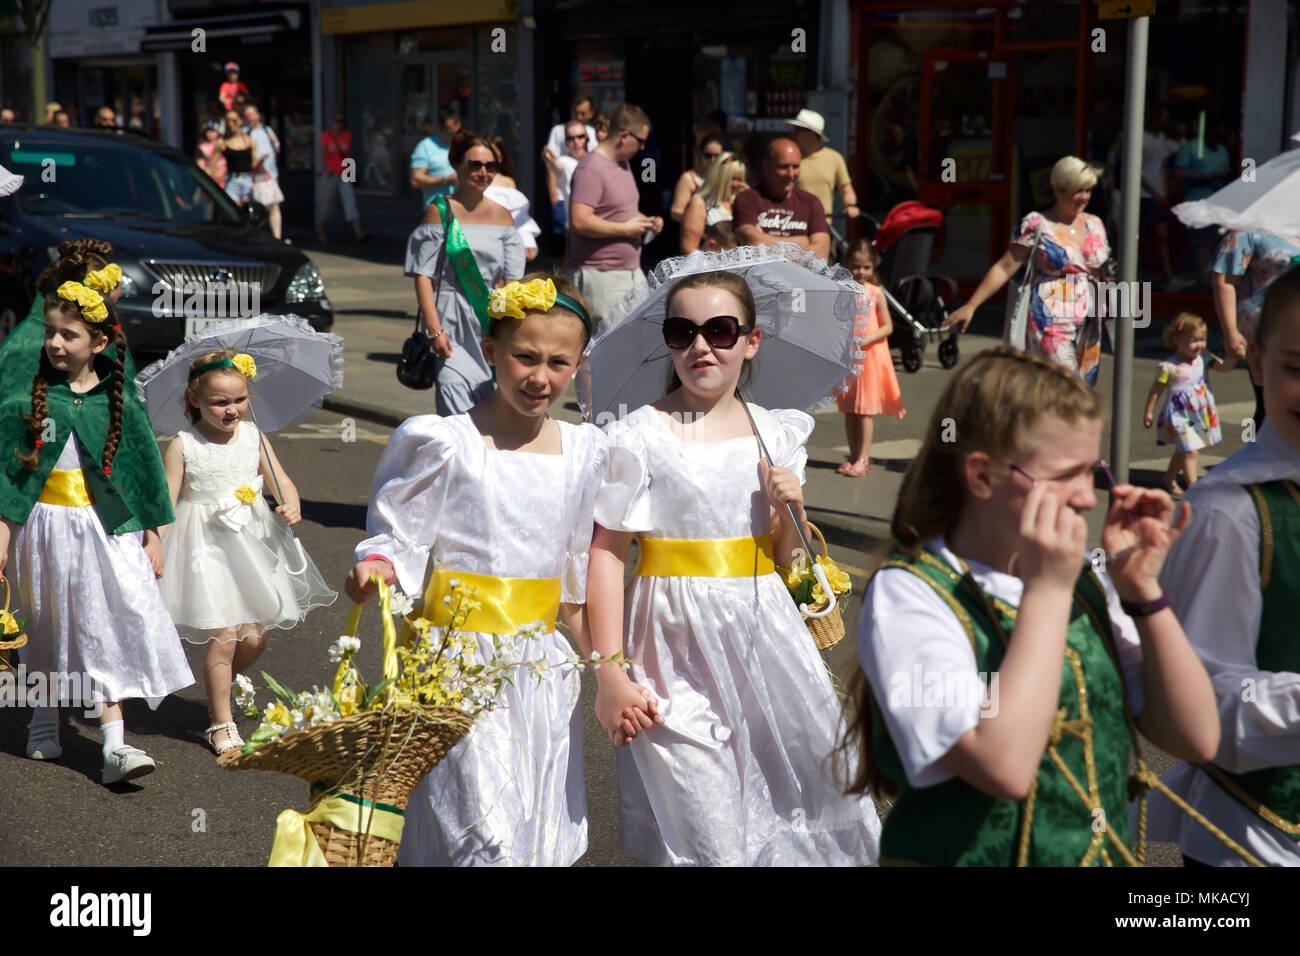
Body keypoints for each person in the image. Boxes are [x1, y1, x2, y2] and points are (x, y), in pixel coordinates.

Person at [843, 347, 1220, 866]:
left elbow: (1197, 736)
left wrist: (1142, 594)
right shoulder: (911, 593)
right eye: (1066, 474)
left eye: (1093, 472)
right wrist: (1047, 592)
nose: (1088, 499)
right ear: (983, 476)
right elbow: (1003, 766)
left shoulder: (1082, 583)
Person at [585, 269, 881, 866]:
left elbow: (791, 562)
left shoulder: (774, 434)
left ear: (751, 340)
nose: (701, 346)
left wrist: (790, 511)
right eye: (682, 331)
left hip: (761, 638)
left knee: (795, 797)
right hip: (669, 648)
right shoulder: (637, 436)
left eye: (720, 331)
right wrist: (610, 672)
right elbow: (606, 553)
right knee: (703, 820)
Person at [345, 275, 624, 866]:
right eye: (524, 357)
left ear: (578, 366)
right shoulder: (447, 443)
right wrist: (379, 565)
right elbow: (402, 536)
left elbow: (574, 576)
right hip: (456, 665)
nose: (539, 377)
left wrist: (608, 671)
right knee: (479, 831)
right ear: (492, 351)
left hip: (542, 670)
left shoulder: (585, 453)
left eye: (558, 362)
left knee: (534, 825)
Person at [0, 280, 194, 785]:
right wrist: (2, 536)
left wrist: (154, 534)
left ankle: (113, 744)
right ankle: (44, 718)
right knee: (43, 623)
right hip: (43, 529)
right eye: (51, 333)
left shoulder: (118, 401)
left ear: (100, 343)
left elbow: (143, 471)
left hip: (106, 532)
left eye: (70, 335)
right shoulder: (34, 400)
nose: (56, 343)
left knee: (107, 625)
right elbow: (12, 476)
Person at [1150, 265, 1300, 866]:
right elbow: (1197, 707)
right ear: (1258, 365)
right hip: (1255, 843)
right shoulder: (1228, 512)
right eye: (1297, 368)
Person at [157, 350, 336, 756]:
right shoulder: (184, 445)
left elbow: (281, 480)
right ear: (194, 399)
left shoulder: (254, 436)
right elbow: (167, 502)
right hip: (205, 546)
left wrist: (291, 504)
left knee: (254, 638)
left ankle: (221, 681)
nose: (231, 409)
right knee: (223, 635)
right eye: (220, 402)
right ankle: (221, 723)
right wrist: (156, 546)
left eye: (239, 399)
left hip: (253, 542)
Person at [945, 156, 1111, 386]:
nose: (1084, 197)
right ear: (1057, 190)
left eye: (1088, 190)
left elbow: (1103, 272)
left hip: (1090, 319)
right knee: (1060, 385)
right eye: (1077, 191)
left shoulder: (1095, 223)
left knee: (1081, 393)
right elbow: (1005, 266)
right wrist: (971, 305)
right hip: (1051, 317)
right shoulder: (1036, 223)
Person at [408, 132, 524, 417]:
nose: (483, 172)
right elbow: (423, 276)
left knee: (489, 406)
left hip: (489, 324)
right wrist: (434, 330)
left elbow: (513, 282)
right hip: (449, 323)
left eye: (491, 166)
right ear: (457, 165)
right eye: (474, 164)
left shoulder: (504, 216)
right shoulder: (439, 212)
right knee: (453, 394)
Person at [564, 103, 663, 323]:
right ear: (624, 135)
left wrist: (645, 221)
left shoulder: (623, 164)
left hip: (628, 272)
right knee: (603, 351)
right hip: (600, 276)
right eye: (640, 141)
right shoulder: (591, 168)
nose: (642, 148)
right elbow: (580, 221)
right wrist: (626, 229)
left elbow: (619, 210)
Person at [1211, 227, 1300, 427]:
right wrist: (1231, 331)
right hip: (1265, 328)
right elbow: (1224, 279)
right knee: (1269, 406)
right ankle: (1253, 454)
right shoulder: (1248, 232)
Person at [836, 240, 903, 477]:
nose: (861, 272)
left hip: (869, 358)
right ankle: (854, 456)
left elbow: (888, 327)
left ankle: (863, 459)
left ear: (873, 267)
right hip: (848, 358)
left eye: (866, 267)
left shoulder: (876, 293)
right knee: (850, 410)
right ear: (846, 265)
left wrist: (867, 339)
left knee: (864, 411)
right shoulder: (842, 291)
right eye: (855, 267)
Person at [1143, 312, 1223, 495]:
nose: (1200, 345)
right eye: (1194, 340)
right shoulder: (1168, 367)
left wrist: (1233, 356)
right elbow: (1157, 389)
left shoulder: (1204, 358)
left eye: (1202, 339)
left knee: (1183, 450)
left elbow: (1223, 366)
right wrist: (1148, 411)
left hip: (1198, 412)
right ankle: (1195, 490)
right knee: (1191, 451)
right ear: (1177, 340)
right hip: (1179, 415)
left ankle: (1167, 479)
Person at [732, 138, 830, 259]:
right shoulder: (747, 199)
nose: (790, 174)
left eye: (796, 166)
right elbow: (752, 243)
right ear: (766, 165)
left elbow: (821, 253)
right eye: (783, 167)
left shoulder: (811, 202)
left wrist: (766, 242)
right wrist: (803, 242)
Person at [789, 108, 859, 227]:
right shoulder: (790, 158)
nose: (793, 134)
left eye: (797, 130)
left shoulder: (834, 158)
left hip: (823, 227)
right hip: (793, 227)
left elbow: (845, 188)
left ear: (811, 133)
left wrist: (850, 206)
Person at [1141, 105, 1186, 291]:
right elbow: (1137, 171)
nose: (1166, 123)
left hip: (1159, 196)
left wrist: (1165, 191)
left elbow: (1164, 167)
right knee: (1137, 236)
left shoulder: (1162, 140)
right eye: (1163, 118)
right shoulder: (1140, 138)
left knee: (1162, 236)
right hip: (1143, 196)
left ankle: (1168, 276)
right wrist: (1155, 192)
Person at [679, 152, 747, 254]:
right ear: (718, 177)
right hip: (711, 267)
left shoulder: (739, 203)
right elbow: (688, 249)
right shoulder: (699, 203)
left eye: (739, 179)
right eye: (732, 178)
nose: (736, 184)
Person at [485, 139, 541, 263]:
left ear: (501, 156)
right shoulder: (469, 183)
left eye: (494, 154)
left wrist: (527, 240)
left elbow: (519, 218)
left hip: (504, 246)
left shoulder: (507, 182)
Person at [317, 112, 366, 244]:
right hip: (330, 174)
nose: (339, 123)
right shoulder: (326, 137)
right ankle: (321, 232)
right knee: (326, 204)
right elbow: (322, 155)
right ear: (332, 122)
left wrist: (351, 172)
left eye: (341, 121)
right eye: (336, 120)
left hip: (344, 174)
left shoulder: (347, 136)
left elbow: (349, 155)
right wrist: (326, 169)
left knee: (350, 202)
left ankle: (359, 235)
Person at [244, 104, 284, 239]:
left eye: (252, 114)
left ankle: (277, 237)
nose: (250, 118)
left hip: (270, 175)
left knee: (273, 206)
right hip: (253, 176)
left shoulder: (267, 130)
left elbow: (278, 150)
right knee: (256, 208)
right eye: (247, 115)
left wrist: (274, 144)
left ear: (257, 115)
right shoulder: (244, 132)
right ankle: (257, 237)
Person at [410, 107, 462, 209]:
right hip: (437, 213)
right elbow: (415, 180)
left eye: (457, 131)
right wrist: (445, 180)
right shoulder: (425, 147)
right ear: (439, 127)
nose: (454, 135)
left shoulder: (462, 146)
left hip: (461, 212)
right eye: (450, 132)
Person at [541, 121, 588, 236]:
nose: (576, 142)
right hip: (577, 229)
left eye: (580, 137)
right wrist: (550, 162)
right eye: (570, 139)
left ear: (587, 138)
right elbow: (557, 166)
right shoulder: (565, 162)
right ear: (566, 143)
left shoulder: (598, 160)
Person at [669, 135, 723, 223]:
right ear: (700, 154)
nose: (713, 160)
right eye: (708, 155)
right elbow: (675, 212)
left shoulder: (726, 178)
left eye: (717, 156)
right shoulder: (688, 178)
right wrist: (702, 220)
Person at [219, 109, 258, 207]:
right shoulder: (222, 142)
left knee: (248, 212)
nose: (231, 124)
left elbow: (254, 165)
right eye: (228, 121)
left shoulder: (250, 141)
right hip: (231, 181)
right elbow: (211, 167)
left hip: (248, 181)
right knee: (234, 212)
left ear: (240, 121)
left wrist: (261, 162)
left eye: (234, 121)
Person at [544, 90, 597, 161]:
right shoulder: (557, 130)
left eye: (581, 137)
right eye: (570, 138)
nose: (579, 117)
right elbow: (550, 162)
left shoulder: (594, 133)